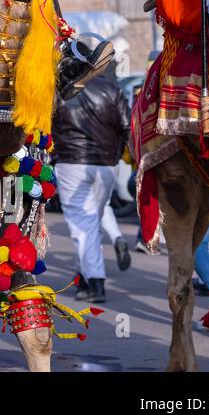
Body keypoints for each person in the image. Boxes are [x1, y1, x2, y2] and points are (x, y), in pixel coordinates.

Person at [50, 73, 131, 303]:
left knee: (82, 225)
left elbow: (46, 125)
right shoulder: (111, 89)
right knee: (90, 223)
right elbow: (127, 126)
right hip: (105, 166)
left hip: (71, 162)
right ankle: (85, 276)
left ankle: (95, 282)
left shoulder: (60, 89)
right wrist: (115, 156)